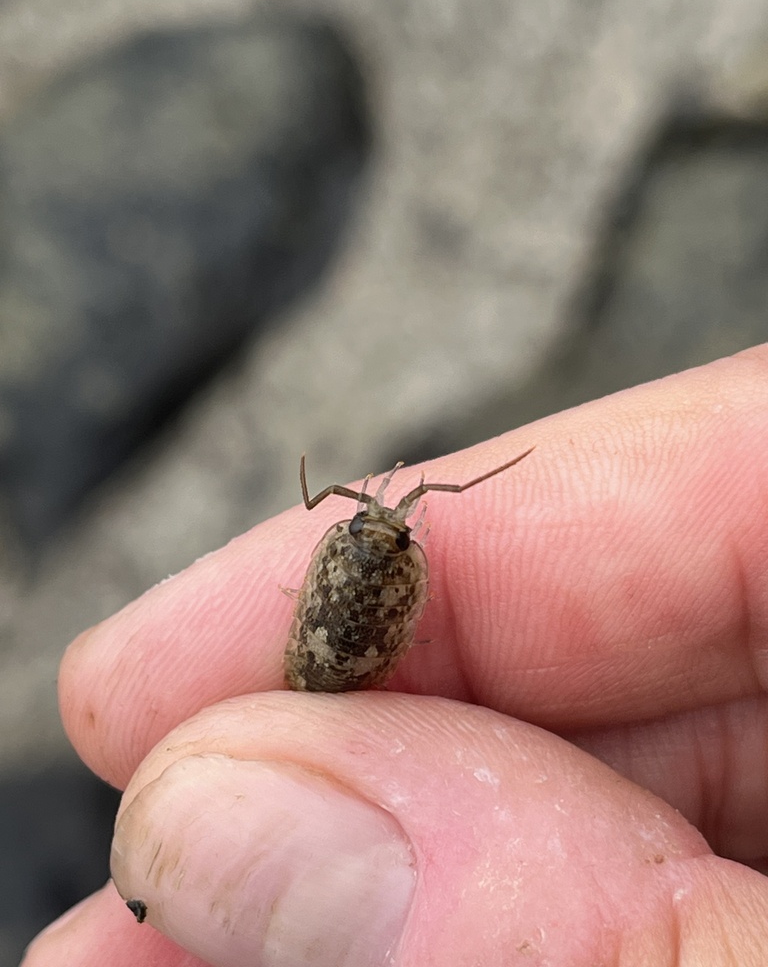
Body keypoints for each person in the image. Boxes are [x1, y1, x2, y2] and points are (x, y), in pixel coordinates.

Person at [23, 345, 768, 966]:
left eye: (392, 525)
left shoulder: (350, 551)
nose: (384, 521)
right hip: (339, 671)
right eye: (370, 523)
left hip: (322, 669)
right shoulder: (395, 563)